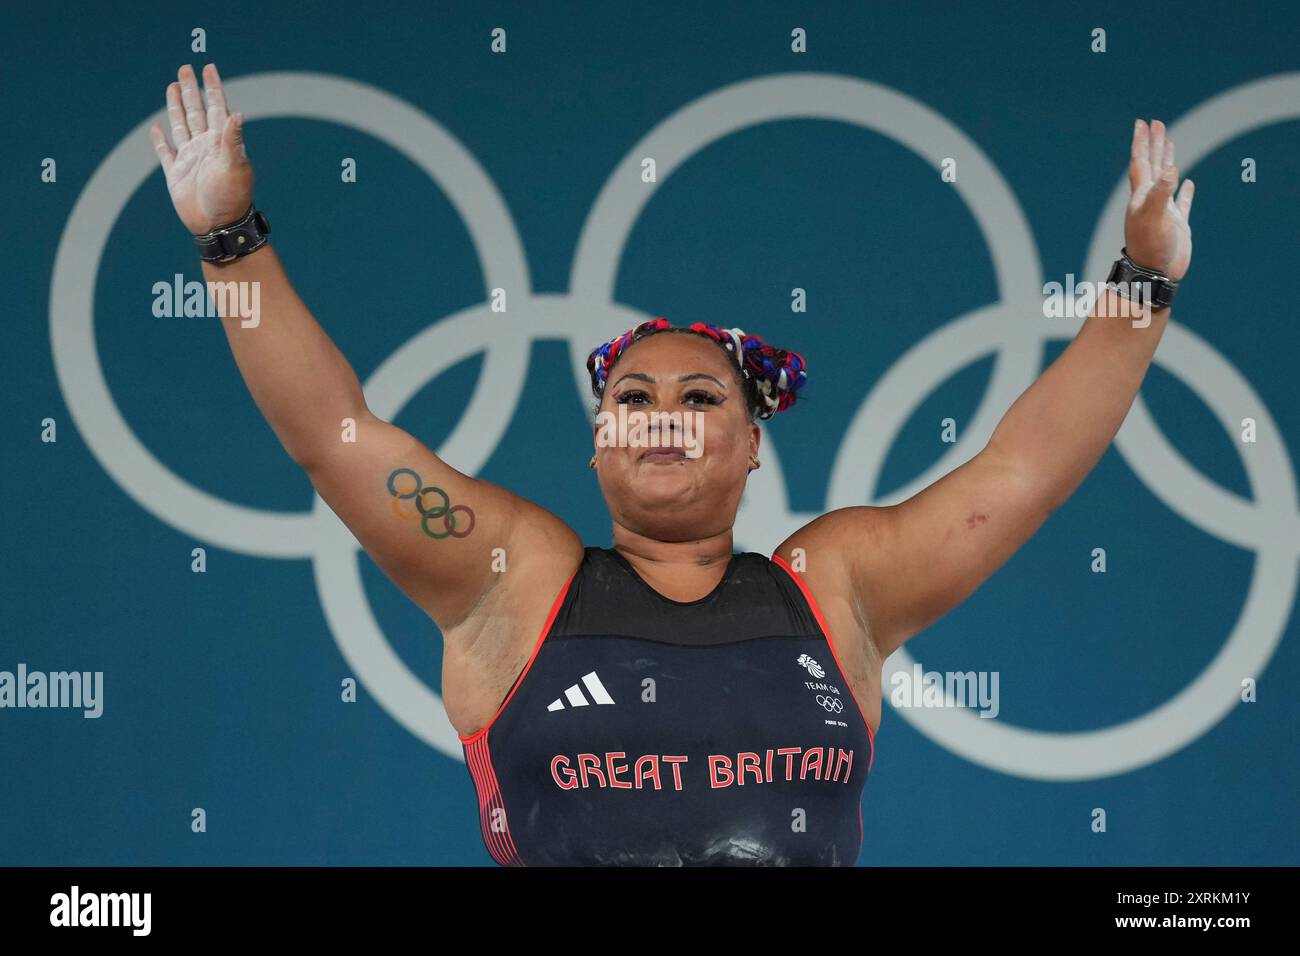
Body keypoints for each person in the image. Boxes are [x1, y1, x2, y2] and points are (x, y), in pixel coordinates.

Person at [150, 62, 1195, 866]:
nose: (660, 416)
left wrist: (1141, 280)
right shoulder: (514, 580)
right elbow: (332, 435)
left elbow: (1023, 469)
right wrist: (229, 239)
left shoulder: (837, 586)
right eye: (631, 399)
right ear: (597, 438)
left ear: (751, 446)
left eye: (700, 399)